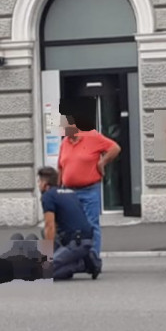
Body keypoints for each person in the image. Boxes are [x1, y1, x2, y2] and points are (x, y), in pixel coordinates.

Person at [56, 112, 121, 266]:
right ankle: (77, 258)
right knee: (73, 226)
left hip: (90, 189)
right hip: (70, 191)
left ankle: (93, 258)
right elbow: (61, 167)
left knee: (92, 224)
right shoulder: (64, 143)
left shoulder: (92, 137)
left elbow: (115, 148)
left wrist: (102, 162)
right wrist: (57, 189)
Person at [38, 167, 99, 281]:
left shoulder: (48, 196)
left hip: (76, 242)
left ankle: (83, 264)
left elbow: (50, 226)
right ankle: (78, 259)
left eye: (39, 181)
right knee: (44, 232)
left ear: (45, 184)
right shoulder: (69, 192)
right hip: (85, 239)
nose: (38, 185)